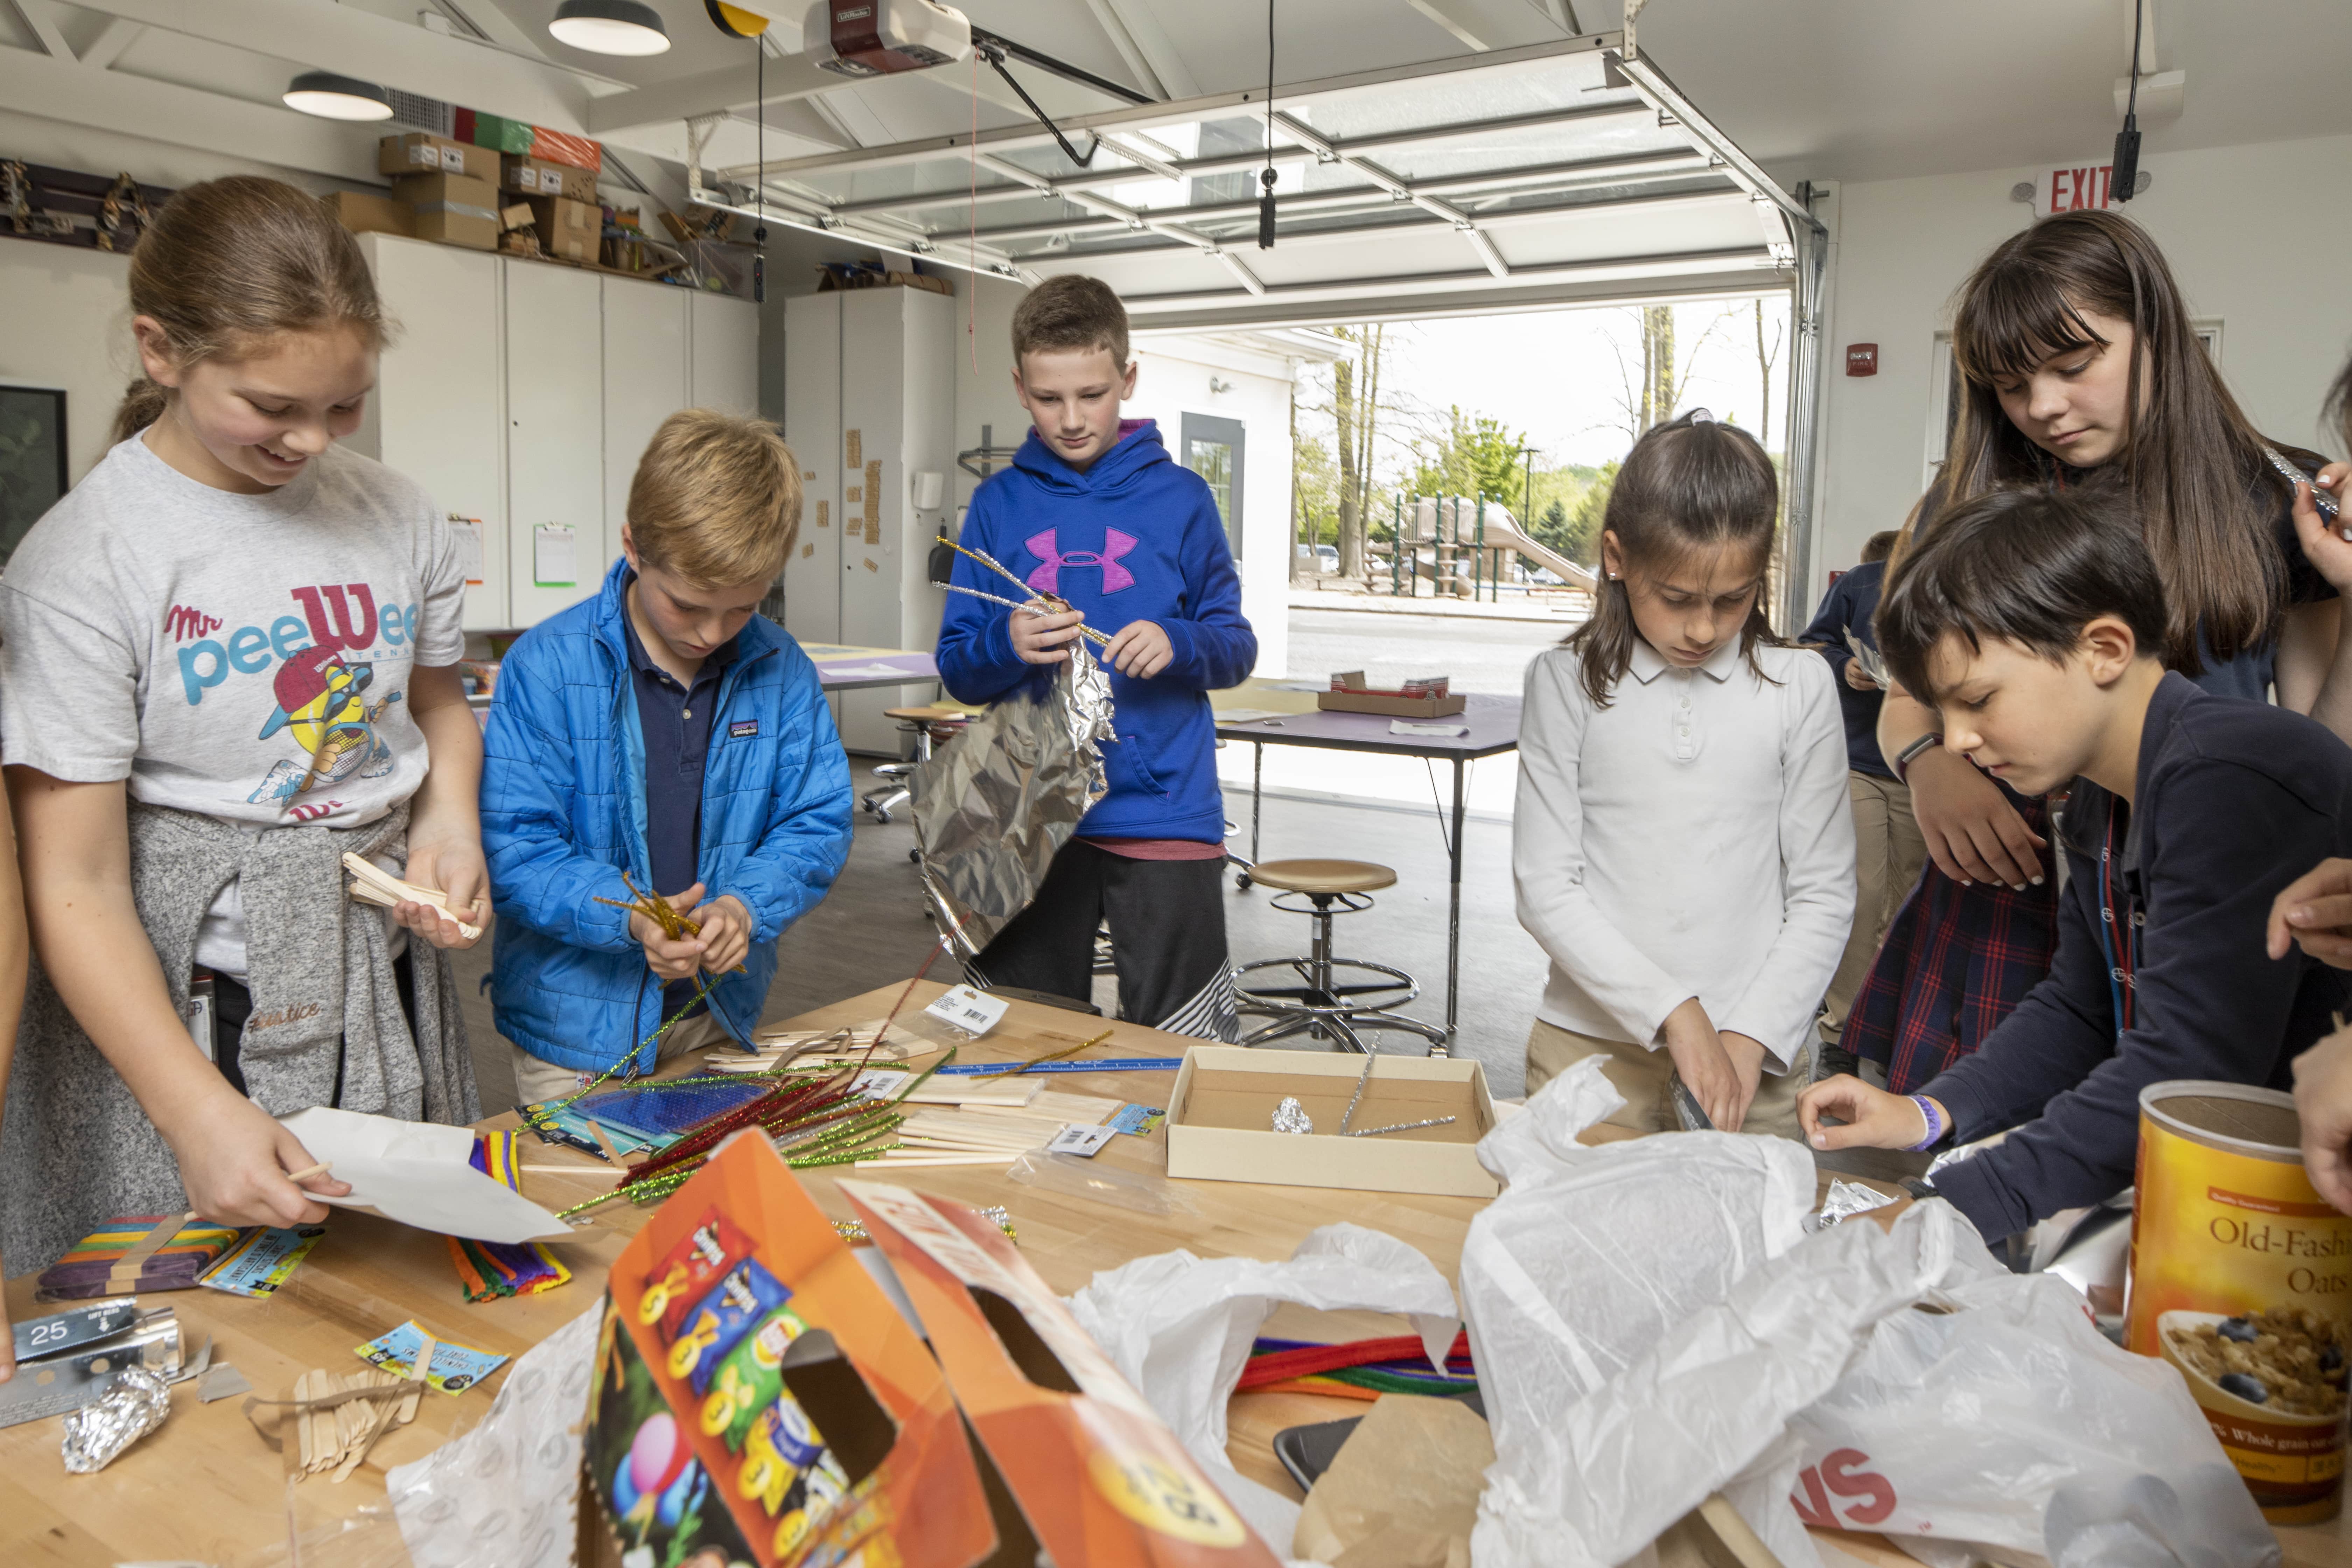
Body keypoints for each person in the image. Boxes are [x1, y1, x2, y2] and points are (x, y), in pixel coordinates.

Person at [0, 177, 485, 1272]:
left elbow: (437, 704)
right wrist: (191, 1109)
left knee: (386, 1267)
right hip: (191, 997)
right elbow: (72, 880)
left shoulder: (399, 513)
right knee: (210, 1276)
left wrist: (448, 820)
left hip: (378, 960)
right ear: (161, 351)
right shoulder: (89, 563)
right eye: (272, 408)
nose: (312, 441)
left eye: (344, 405)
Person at [1849, 208, 2352, 1100]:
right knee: (1974, 1153)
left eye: (2075, 366)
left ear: (2155, 329)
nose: (2043, 406)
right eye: (2010, 386)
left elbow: (2322, 748)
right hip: (2005, 891)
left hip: (2187, 900)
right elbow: (1905, 703)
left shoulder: (2277, 499)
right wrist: (1931, 766)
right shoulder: (1971, 497)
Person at [1801, 485, 2352, 1242]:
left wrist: (1954, 1206)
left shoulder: (2232, 773)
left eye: (1979, 700)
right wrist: (1931, 1110)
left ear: (2103, 650)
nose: (1958, 741)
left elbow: (2184, 1070)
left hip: (2299, 1199)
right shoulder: (2099, 793)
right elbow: (2083, 1003)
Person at [481, 410, 853, 1104]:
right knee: (589, 1210)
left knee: (703, 1203)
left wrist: (747, 904)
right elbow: (518, 850)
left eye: (741, 608)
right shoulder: (547, 666)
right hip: (574, 1035)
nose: (711, 633)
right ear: (632, 547)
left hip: (715, 1013)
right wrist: (628, 913)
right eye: (686, 605)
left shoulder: (781, 665)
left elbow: (816, 819)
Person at [1515, 410, 1854, 1135]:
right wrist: (1675, 1010)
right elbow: (1545, 886)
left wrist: (1749, 1033)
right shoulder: (1563, 683)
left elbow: (1825, 892)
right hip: (1590, 1050)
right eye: (1677, 598)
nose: (1704, 628)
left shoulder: (1801, 686)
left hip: (1755, 1057)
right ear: (1616, 556)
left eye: (1734, 598)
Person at [935, 275, 1256, 1038]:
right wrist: (1004, 643)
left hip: (1163, 808)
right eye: (1049, 399)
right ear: (1019, 387)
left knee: (1183, 1042)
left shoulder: (1183, 498)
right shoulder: (996, 505)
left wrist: (1179, 641)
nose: (1072, 419)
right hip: (1030, 810)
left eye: (1093, 393)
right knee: (1021, 1036)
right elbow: (958, 666)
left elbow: (1234, 647)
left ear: (1129, 380)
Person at [1797, 529, 1923, 1078]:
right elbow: (1812, 646)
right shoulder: (1859, 584)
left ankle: (1897, 1029)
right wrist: (1845, 664)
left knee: (1909, 901)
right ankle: (1841, 1034)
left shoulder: (1946, 584)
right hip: (1859, 765)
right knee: (1863, 895)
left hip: (1924, 769)